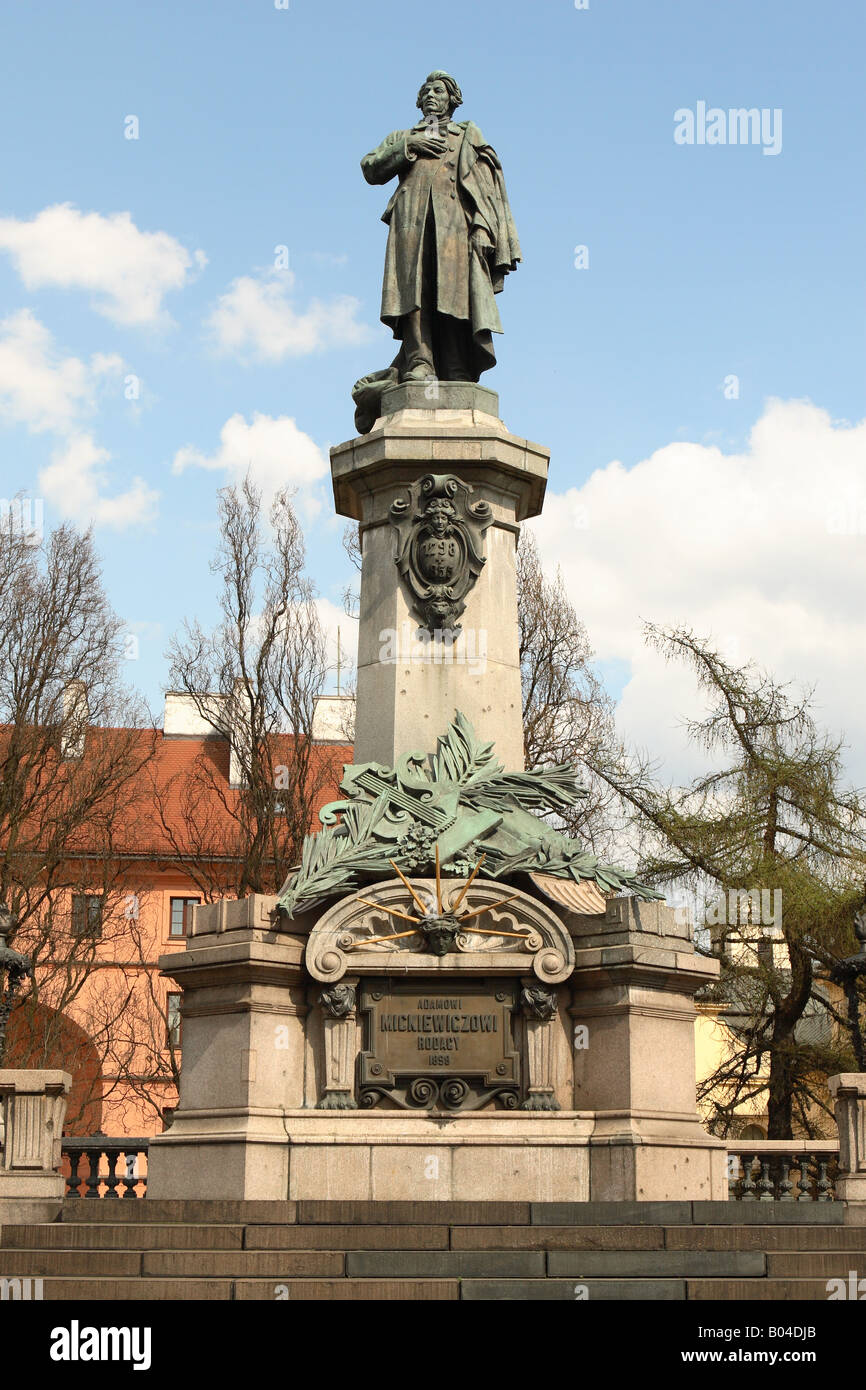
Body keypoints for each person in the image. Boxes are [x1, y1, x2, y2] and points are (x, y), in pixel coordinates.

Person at [352, 71, 520, 430]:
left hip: (454, 225)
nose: (431, 95)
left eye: (439, 90)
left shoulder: (468, 136)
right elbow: (370, 168)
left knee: (455, 293)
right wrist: (409, 147)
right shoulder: (404, 137)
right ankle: (419, 361)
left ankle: (457, 363)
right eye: (425, 90)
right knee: (413, 290)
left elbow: (486, 186)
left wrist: (482, 227)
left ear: (452, 100)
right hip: (411, 220)